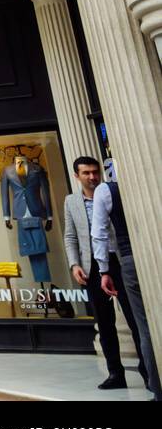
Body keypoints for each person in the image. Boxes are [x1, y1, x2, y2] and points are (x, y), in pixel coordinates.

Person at [64, 156, 147, 390]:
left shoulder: (112, 194)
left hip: (118, 262)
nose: (92, 177)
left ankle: (147, 371)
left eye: (95, 172)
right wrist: (74, 264)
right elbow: (70, 236)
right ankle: (115, 374)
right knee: (105, 323)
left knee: (135, 319)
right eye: (86, 173)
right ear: (76, 176)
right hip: (91, 268)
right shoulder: (71, 202)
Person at [92, 175, 161, 399]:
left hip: (131, 258)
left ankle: (157, 389)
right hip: (135, 257)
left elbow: (99, 234)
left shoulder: (106, 190)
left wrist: (104, 270)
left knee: (145, 327)